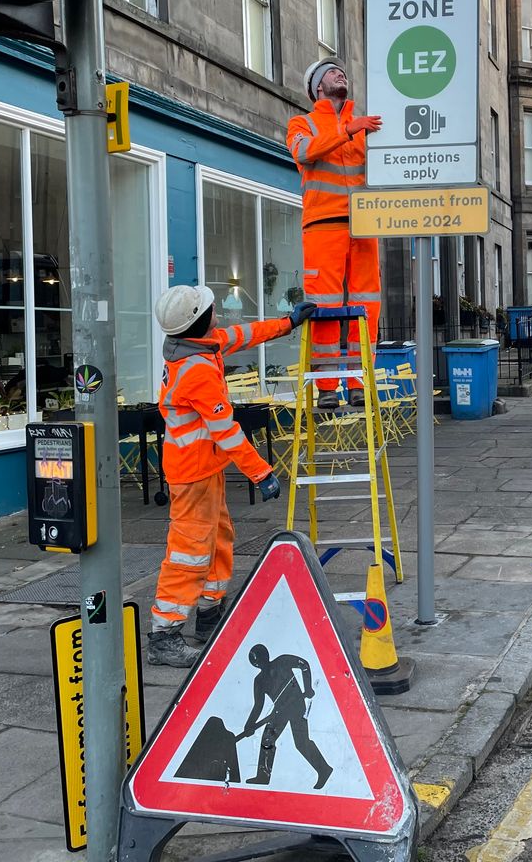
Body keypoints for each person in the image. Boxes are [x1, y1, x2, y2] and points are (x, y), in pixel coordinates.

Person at [146, 285, 316, 667]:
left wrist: (288, 323)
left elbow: (247, 334)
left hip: (204, 468)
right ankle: (164, 635)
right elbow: (226, 431)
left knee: (219, 540)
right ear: (201, 321)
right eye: (211, 309)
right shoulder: (198, 371)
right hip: (192, 474)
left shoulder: (197, 347)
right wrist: (261, 473)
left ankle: (209, 613)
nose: (218, 312)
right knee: (188, 550)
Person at [288, 59, 382, 410]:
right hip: (323, 224)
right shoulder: (303, 123)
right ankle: (327, 387)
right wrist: (347, 130)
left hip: (364, 224)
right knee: (324, 307)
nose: (339, 73)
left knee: (367, 304)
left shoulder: (366, 125)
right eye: (330, 72)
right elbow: (302, 151)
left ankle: (359, 382)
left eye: (341, 71)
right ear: (317, 87)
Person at [240, 643, 332, 789]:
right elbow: (258, 705)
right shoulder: (259, 680)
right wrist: (249, 724)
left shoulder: (282, 661)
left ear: (266, 656)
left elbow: (304, 664)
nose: (261, 663)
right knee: (267, 739)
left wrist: (308, 688)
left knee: (301, 743)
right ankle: (263, 776)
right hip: (279, 712)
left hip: (296, 706)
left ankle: (324, 769)